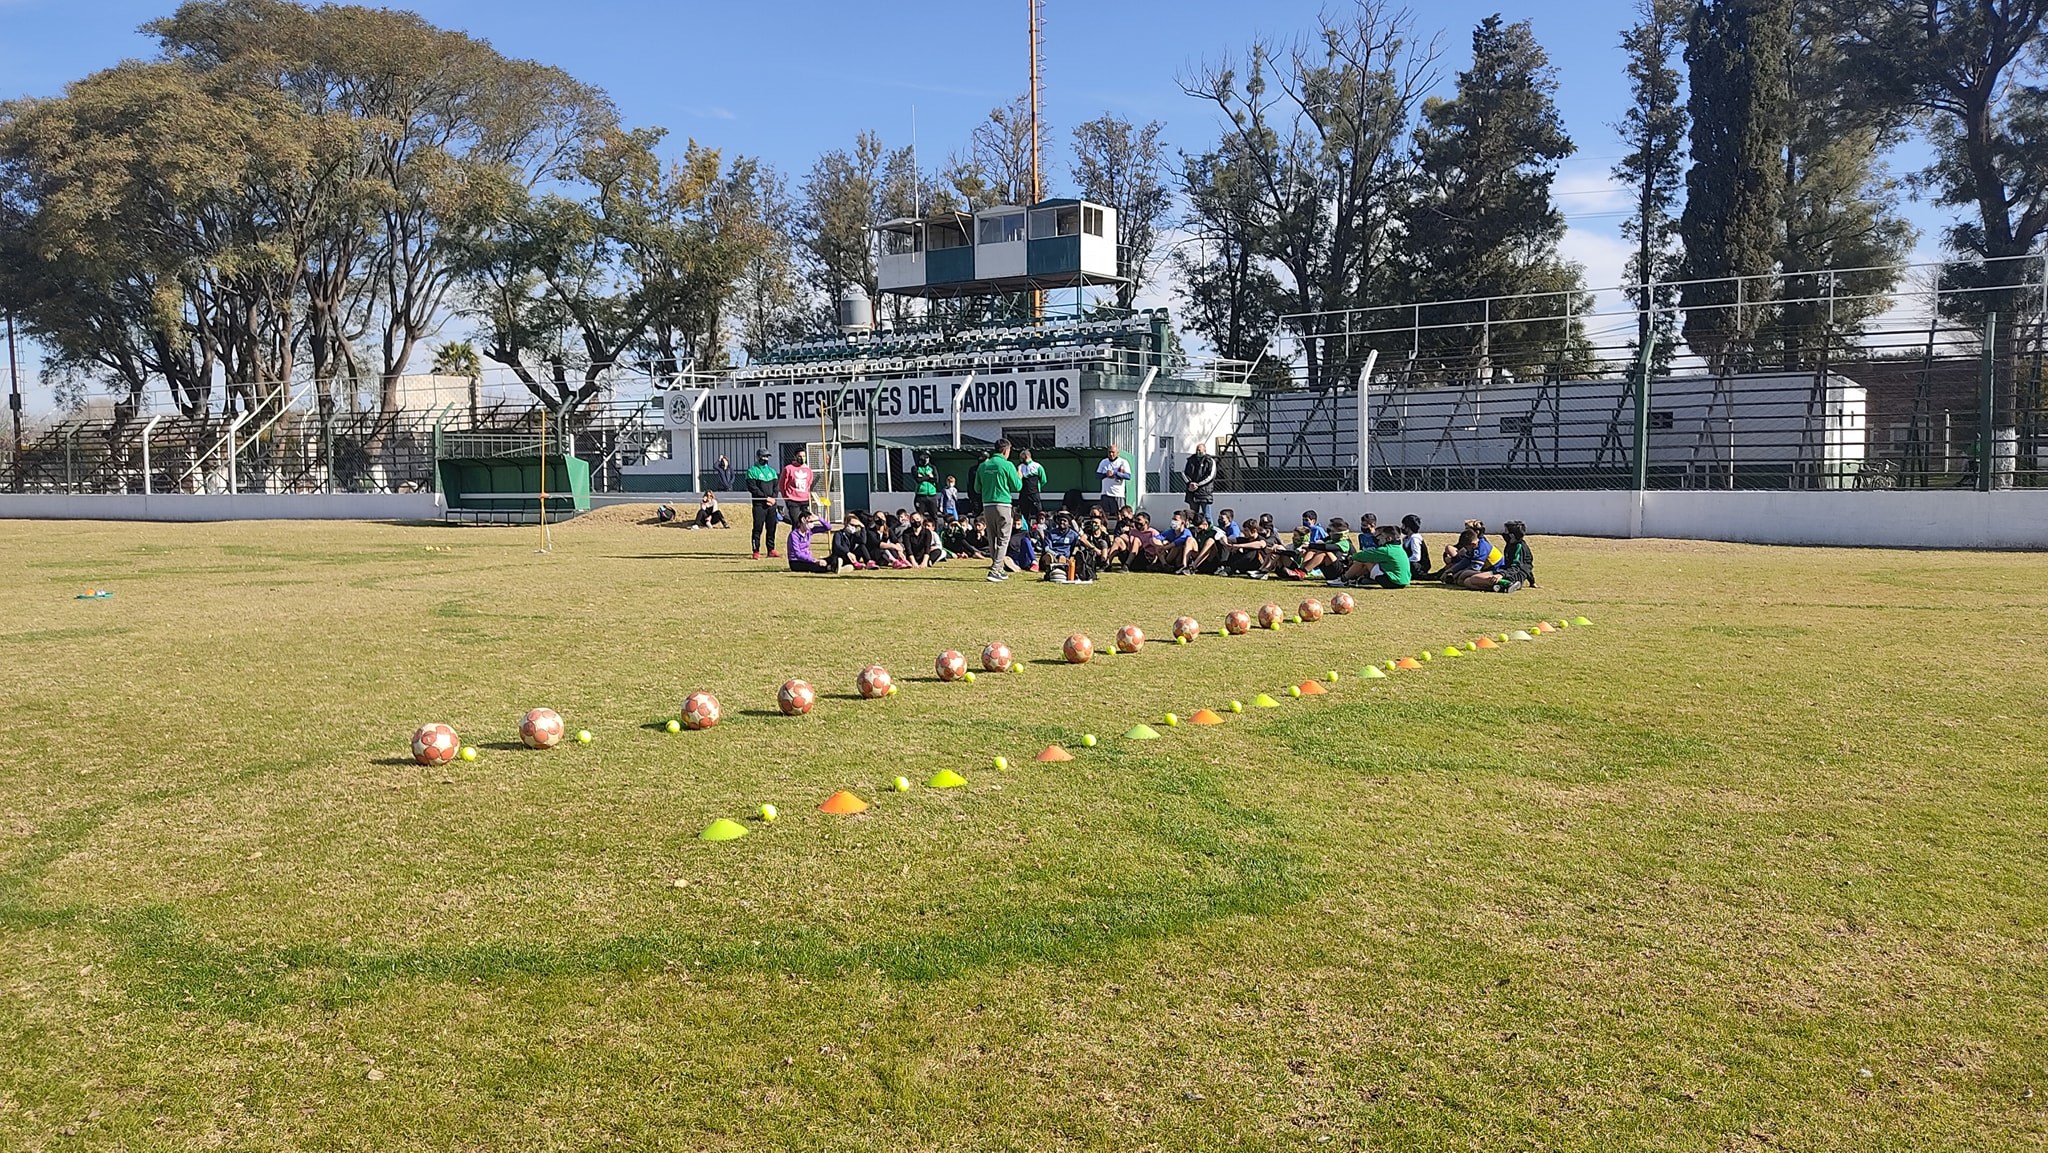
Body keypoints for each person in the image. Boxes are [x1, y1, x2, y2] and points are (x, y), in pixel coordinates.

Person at [975, 437, 1022, 582]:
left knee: (992, 537)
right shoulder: (1007, 465)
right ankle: (996, 570)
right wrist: (1019, 476)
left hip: (987, 505)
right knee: (1003, 538)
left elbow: (977, 488)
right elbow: (1017, 486)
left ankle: (998, 567)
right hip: (1003, 504)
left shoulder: (983, 465)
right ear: (1006, 450)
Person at [1465, 520, 1534, 592]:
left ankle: (1509, 584)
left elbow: (1517, 567)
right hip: (1504, 571)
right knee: (1467, 582)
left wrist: (1501, 575)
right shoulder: (1510, 544)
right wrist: (1532, 582)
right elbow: (1527, 564)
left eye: (1506, 531)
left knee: (1472, 579)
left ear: (1512, 535)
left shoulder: (1519, 546)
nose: (1504, 533)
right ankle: (1499, 587)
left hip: (1512, 576)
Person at [746, 448, 779, 559]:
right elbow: (753, 488)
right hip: (759, 505)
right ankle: (756, 550)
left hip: (772, 505)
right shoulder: (752, 471)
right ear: (758, 457)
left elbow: (776, 487)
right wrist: (765, 498)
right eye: (763, 456)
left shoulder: (772, 471)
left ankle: (771, 549)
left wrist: (773, 498)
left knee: (771, 527)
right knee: (758, 527)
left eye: (766, 457)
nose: (765, 459)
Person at [1182, 442, 1218, 522]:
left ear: (1205, 450)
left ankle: (1210, 531)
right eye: (1197, 450)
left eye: (1200, 450)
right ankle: (1194, 532)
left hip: (1204, 494)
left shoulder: (1210, 461)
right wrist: (1190, 483)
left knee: (1207, 516)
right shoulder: (1191, 460)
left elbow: (1210, 476)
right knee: (1193, 516)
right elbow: (1184, 473)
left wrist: (1198, 484)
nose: (1198, 452)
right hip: (1192, 492)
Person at [780, 448, 814, 529]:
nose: (802, 458)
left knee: (806, 523)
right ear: (795, 457)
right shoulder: (788, 468)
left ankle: (804, 540)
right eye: (799, 456)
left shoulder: (808, 470)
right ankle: (795, 540)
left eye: (804, 456)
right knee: (796, 522)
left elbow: (809, 483)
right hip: (792, 500)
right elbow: (782, 484)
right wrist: (785, 496)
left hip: (804, 500)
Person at [1096, 444, 1131, 520]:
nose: (1111, 454)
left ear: (1117, 452)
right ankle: (1105, 529)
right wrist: (1106, 474)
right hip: (1105, 492)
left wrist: (1115, 474)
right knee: (1104, 514)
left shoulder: (1123, 462)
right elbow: (1097, 475)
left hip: (1117, 493)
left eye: (1113, 452)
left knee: (1119, 514)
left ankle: (1119, 529)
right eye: (1109, 452)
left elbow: (1128, 476)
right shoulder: (1103, 462)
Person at [1017, 449, 1046, 522]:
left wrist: (1037, 488)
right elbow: (1018, 480)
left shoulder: (1037, 466)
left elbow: (1043, 480)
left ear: (1026, 456)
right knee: (1023, 514)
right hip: (1023, 494)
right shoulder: (1020, 467)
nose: (1020, 459)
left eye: (1021, 457)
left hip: (1034, 494)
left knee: (1038, 514)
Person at [1400, 514, 1431, 580]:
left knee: (1412, 565)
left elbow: (1416, 557)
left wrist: (1403, 561)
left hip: (1420, 566)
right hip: (1411, 563)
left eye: (1403, 525)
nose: (1402, 527)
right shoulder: (1407, 538)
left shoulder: (1415, 539)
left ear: (1408, 527)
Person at [913, 452, 941, 521]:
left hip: (932, 495)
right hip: (920, 496)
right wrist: (929, 476)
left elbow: (936, 479)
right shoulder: (915, 468)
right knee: (920, 516)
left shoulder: (932, 467)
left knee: (934, 516)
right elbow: (918, 480)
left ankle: (934, 530)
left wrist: (923, 477)